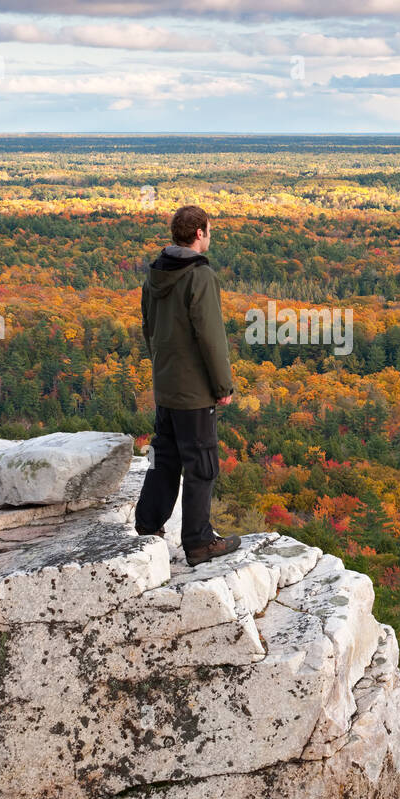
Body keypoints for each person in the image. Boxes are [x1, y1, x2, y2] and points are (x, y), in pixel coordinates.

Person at [135, 204, 241, 567]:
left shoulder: (156, 272)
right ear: (199, 233)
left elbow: (148, 326)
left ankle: (147, 527)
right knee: (201, 464)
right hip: (195, 391)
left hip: (166, 385)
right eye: (209, 230)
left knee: (165, 459)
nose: (210, 235)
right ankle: (198, 543)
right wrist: (223, 385)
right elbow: (211, 337)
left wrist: (162, 368)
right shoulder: (199, 276)